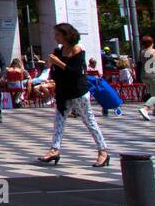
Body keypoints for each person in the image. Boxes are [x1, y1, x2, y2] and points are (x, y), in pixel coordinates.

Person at [36, 23, 111, 168]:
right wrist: (53, 71)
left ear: (66, 35)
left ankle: (103, 151)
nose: (55, 37)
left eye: (58, 34)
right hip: (63, 91)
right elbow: (56, 71)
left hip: (78, 91)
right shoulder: (59, 50)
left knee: (89, 120)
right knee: (59, 121)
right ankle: (54, 149)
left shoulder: (78, 50)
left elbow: (76, 71)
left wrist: (58, 63)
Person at [139, 34, 155, 122]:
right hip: (154, 75)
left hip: (144, 75)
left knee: (153, 93)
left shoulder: (142, 52)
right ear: (152, 43)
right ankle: (145, 109)